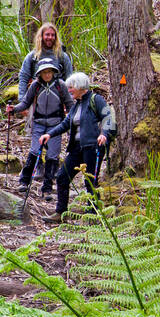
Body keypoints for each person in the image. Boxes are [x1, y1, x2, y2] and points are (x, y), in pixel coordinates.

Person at [44, 72, 116, 223]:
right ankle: (60, 213)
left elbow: (108, 118)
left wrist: (104, 134)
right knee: (62, 177)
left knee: (90, 181)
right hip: (76, 149)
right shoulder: (76, 106)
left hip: (93, 147)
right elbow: (65, 124)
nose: (69, 90)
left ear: (80, 87)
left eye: (71, 87)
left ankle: (92, 215)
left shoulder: (96, 100)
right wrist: (49, 134)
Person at [6, 57, 70, 199]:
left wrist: (74, 120)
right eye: (44, 72)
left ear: (54, 72)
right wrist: (14, 109)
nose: (47, 74)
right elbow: (25, 103)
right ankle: (24, 181)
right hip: (39, 123)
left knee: (52, 156)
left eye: (50, 72)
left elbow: (70, 104)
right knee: (35, 151)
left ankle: (47, 188)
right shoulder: (35, 86)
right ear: (39, 73)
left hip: (56, 125)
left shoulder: (61, 85)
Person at [18, 22, 73, 103]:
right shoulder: (32, 56)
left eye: (52, 35)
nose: (50, 37)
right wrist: (22, 100)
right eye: (47, 35)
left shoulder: (62, 57)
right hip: (36, 98)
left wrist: (69, 101)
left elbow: (70, 79)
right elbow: (23, 77)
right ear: (41, 36)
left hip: (58, 99)